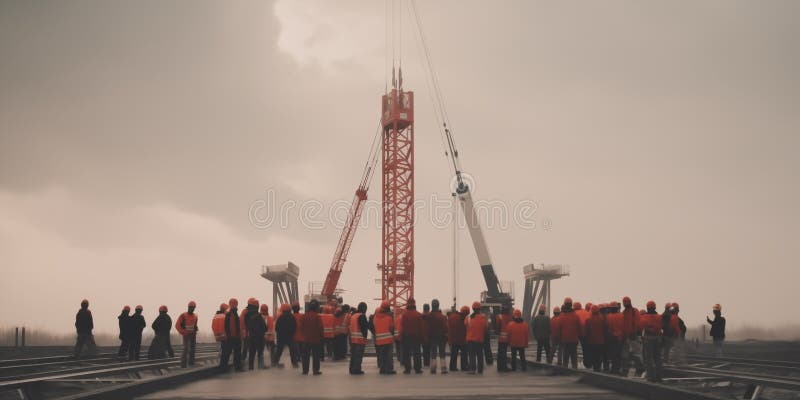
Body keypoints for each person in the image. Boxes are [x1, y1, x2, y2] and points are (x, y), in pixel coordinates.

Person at [638, 300, 663, 382]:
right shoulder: (659, 317)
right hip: (658, 338)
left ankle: (650, 377)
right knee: (658, 358)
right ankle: (659, 377)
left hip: (648, 339)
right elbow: (661, 326)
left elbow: (640, 327)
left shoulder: (644, 317)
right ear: (655, 307)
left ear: (647, 308)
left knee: (649, 359)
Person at [371, 300, 397, 374]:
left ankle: (382, 369)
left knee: (381, 355)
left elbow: (373, 328)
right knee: (389, 356)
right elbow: (392, 328)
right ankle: (389, 369)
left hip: (379, 340)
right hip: (388, 339)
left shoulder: (375, 318)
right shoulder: (389, 318)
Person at [300, 299, 324, 375]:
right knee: (316, 356)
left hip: (306, 339)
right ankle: (315, 370)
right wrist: (321, 337)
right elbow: (320, 328)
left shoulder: (304, 316)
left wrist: (304, 335)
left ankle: (305, 370)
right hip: (316, 339)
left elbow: (301, 327)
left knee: (305, 356)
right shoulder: (317, 316)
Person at [556, 298, 581, 369]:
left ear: (565, 304)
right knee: (574, 356)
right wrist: (578, 337)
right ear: (571, 305)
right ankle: (575, 369)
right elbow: (579, 327)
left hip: (565, 339)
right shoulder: (576, 316)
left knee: (565, 356)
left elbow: (558, 328)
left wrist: (559, 338)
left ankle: (565, 369)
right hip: (574, 339)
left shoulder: (561, 316)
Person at [221, 298, 244, 372]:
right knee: (234, 353)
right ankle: (236, 368)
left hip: (232, 336)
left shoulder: (230, 312)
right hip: (232, 336)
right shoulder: (231, 313)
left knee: (228, 353)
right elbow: (229, 325)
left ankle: (224, 368)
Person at [401, 298, 423, 374]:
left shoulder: (404, 314)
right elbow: (421, 327)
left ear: (407, 304)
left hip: (406, 336)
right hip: (416, 337)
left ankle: (407, 369)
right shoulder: (418, 314)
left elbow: (402, 326)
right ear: (414, 304)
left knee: (407, 353)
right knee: (417, 353)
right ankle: (417, 369)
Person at [620, 296, 642, 376]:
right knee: (628, 354)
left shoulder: (633, 311)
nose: (625, 304)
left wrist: (635, 333)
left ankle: (639, 368)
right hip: (627, 336)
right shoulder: (626, 312)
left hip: (632, 336)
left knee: (635, 353)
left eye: (625, 302)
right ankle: (627, 369)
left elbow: (638, 323)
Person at [465, 301, 488, 374]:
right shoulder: (483, 317)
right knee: (480, 355)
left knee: (472, 355)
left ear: (473, 308)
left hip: (471, 340)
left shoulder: (468, 317)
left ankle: (472, 369)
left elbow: (465, 325)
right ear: (480, 308)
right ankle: (480, 370)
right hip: (480, 339)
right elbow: (486, 328)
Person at [427, 299, 448, 374]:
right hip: (441, 336)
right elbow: (445, 327)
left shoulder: (429, 316)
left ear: (432, 305)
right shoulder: (443, 317)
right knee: (442, 352)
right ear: (438, 305)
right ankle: (443, 368)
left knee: (433, 352)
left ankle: (433, 368)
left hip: (432, 336)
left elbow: (427, 327)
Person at [244, 300, 267, 370]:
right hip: (259, 337)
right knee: (260, 352)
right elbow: (264, 327)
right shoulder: (259, 316)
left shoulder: (246, 315)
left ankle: (251, 368)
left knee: (251, 353)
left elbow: (247, 325)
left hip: (251, 336)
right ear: (257, 307)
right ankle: (260, 367)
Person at [175, 301, 198, 367]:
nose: (191, 309)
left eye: (193, 308)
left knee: (192, 349)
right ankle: (183, 364)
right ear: (188, 307)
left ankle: (191, 363)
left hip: (193, 334)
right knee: (186, 348)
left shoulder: (195, 316)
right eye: (190, 307)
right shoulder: (183, 315)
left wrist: (195, 328)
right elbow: (177, 325)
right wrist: (184, 332)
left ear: (194, 308)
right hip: (186, 335)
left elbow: (194, 325)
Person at [349, 302, 369, 374]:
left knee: (353, 356)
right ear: (363, 308)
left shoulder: (353, 316)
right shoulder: (362, 316)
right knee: (358, 356)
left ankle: (352, 369)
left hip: (353, 339)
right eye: (365, 308)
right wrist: (365, 337)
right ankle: (357, 370)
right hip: (360, 339)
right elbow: (364, 328)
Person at [447, 305, 468, 372]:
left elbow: (449, 327)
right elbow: (465, 328)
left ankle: (452, 367)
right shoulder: (463, 318)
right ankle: (464, 366)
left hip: (453, 338)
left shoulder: (451, 317)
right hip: (462, 339)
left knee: (454, 354)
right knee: (464, 353)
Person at [584, 305, 605, 371]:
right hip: (600, 340)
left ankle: (595, 368)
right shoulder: (602, 319)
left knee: (593, 355)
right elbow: (605, 330)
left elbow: (586, 331)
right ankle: (598, 367)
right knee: (599, 355)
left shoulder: (588, 320)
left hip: (592, 341)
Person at [605, 301, 624, 374]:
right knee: (618, 354)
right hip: (620, 337)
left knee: (613, 354)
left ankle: (613, 369)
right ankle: (617, 369)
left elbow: (608, 327)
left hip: (612, 337)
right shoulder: (622, 315)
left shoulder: (608, 316)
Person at [495, 305, 512, 372]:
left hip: (501, 338)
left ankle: (499, 367)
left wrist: (497, 333)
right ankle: (504, 367)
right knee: (504, 353)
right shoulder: (510, 318)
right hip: (507, 338)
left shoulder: (499, 317)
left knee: (500, 353)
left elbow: (497, 327)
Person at [291, 301, 303, 368]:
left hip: (293, 337)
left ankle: (296, 361)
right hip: (302, 337)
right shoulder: (302, 316)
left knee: (294, 351)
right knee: (301, 350)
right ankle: (299, 358)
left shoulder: (291, 316)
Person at [421, 303, 431, 368]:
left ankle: (425, 363)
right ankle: (428, 363)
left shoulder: (420, 316)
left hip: (422, 336)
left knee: (424, 350)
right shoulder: (431, 316)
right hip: (430, 336)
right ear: (429, 308)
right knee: (429, 350)